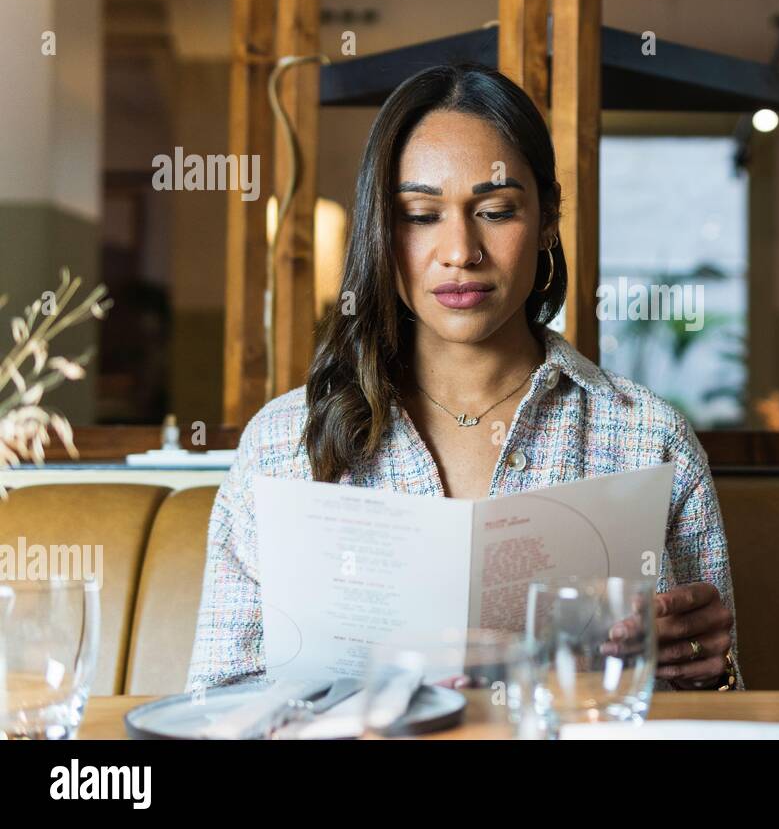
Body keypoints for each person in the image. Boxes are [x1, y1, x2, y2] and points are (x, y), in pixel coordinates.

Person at [186, 63, 741, 696]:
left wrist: (707, 669)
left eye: (497, 210)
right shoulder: (283, 444)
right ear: (380, 229)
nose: (460, 251)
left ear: (548, 220)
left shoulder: (649, 437)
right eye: (421, 215)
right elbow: (215, 701)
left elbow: (715, 704)